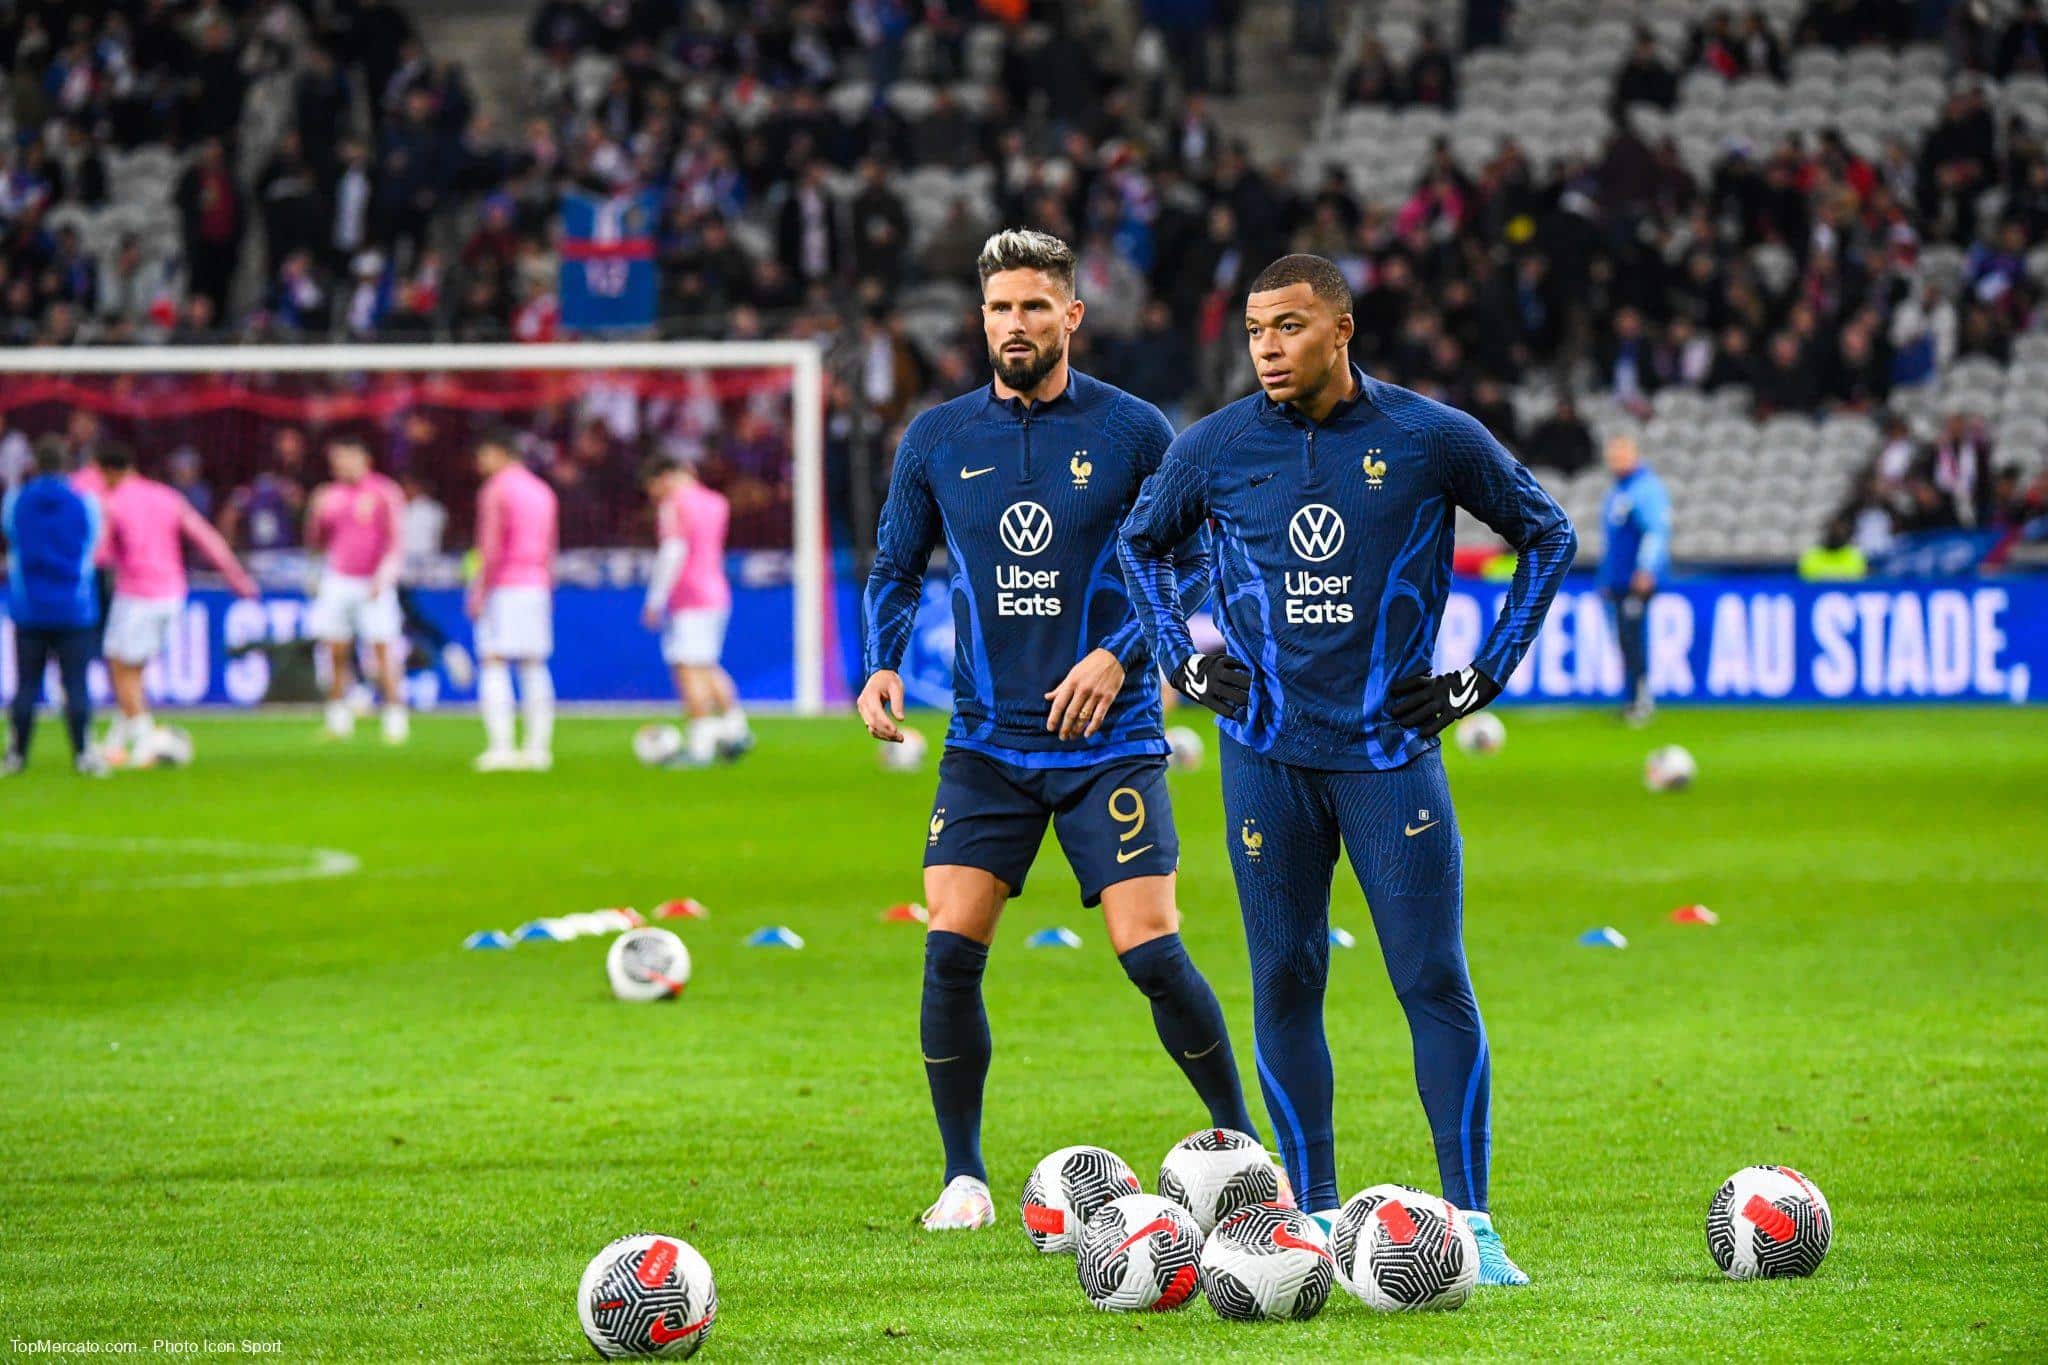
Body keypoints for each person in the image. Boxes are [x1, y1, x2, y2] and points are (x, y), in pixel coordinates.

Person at [1118, 253, 1576, 1285]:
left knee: (1429, 979)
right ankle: (1316, 1217)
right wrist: (1180, 661)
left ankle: (1473, 1222)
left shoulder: (1429, 437)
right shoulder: (1214, 447)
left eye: (1286, 327)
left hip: (1388, 759)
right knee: (1284, 979)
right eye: (1252, 332)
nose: (1267, 349)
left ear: (1340, 329)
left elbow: (1545, 533)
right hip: (1264, 761)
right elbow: (1138, 548)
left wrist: (1481, 678)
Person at [859, 228, 1263, 1233]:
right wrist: (878, 661)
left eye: (1034, 306)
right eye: (999, 308)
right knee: (949, 951)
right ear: (980, 319)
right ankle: (961, 1176)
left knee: (1150, 952)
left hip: (1110, 739)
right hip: (985, 744)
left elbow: (1199, 558)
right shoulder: (938, 439)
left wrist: (1121, 652)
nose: (1014, 325)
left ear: (1070, 316)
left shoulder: (1133, 432)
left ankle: (1243, 1146)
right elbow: (894, 566)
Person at [95, 445, 259, 763]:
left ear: (109, 472)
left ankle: (147, 744)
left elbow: (100, 553)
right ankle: (116, 742)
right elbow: (204, 535)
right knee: (134, 671)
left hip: (137, 594)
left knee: (120, 668)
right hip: (172, 594)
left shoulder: (112, 502)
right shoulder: (166, 497)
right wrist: (236, 577)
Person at [640, 454, 751, 766]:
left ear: (663, 478)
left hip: (688, 595)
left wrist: (655, 599)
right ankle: (735, 728)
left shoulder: (674, 504)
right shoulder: (716, 502)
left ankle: (701, 743)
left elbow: (674, 551)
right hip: (716, 592)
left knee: (686, 667)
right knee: (706, 664)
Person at [4, 438, 107, 776]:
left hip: (29, 608)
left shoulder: (16, 500)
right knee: (75, 684)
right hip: (74, 610)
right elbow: (92, 546)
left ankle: (16, 755)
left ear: (36, 464)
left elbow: (12, 539)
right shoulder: (85, 503)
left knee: (26, 686)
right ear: (67, 466)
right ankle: (83, 754)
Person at [305, 435, 409, 743]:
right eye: (337, 460)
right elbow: (317, 543)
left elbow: (396, 542)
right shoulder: (329, 495)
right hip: (338, 579)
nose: (341, 465)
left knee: (381, 650)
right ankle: (338, 719)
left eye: (346, 458)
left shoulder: (384, 492)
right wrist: (315, 516)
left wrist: (385, 577)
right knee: (335, 651)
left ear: (363, 458)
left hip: (373, 580)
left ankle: (394, 718)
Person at [467, 432, 559, 771]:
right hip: (536, 584)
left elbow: (490, 548)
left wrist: (479, 591)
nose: (480, 464)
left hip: (505, 585)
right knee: (534, 664)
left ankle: (501, 747)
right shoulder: (542, 490)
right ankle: (538, 749)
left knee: (493, 661)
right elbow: (551, 546)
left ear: (498, 452)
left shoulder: (496, 490)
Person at [1599, 433, 1671, 726]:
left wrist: (1646, 570)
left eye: (1620, 455)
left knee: (1634, 639)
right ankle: (1631, 697)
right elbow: (1614, 542)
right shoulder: (1619, 491)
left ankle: (1641, 698)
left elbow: (1655, 532)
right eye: (1612, 456)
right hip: (1619, 580)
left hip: (1635, 581)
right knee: (1625, 640)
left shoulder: (1645, 489)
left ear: (1634, 455)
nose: (1615, 461)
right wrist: (1607, 577)